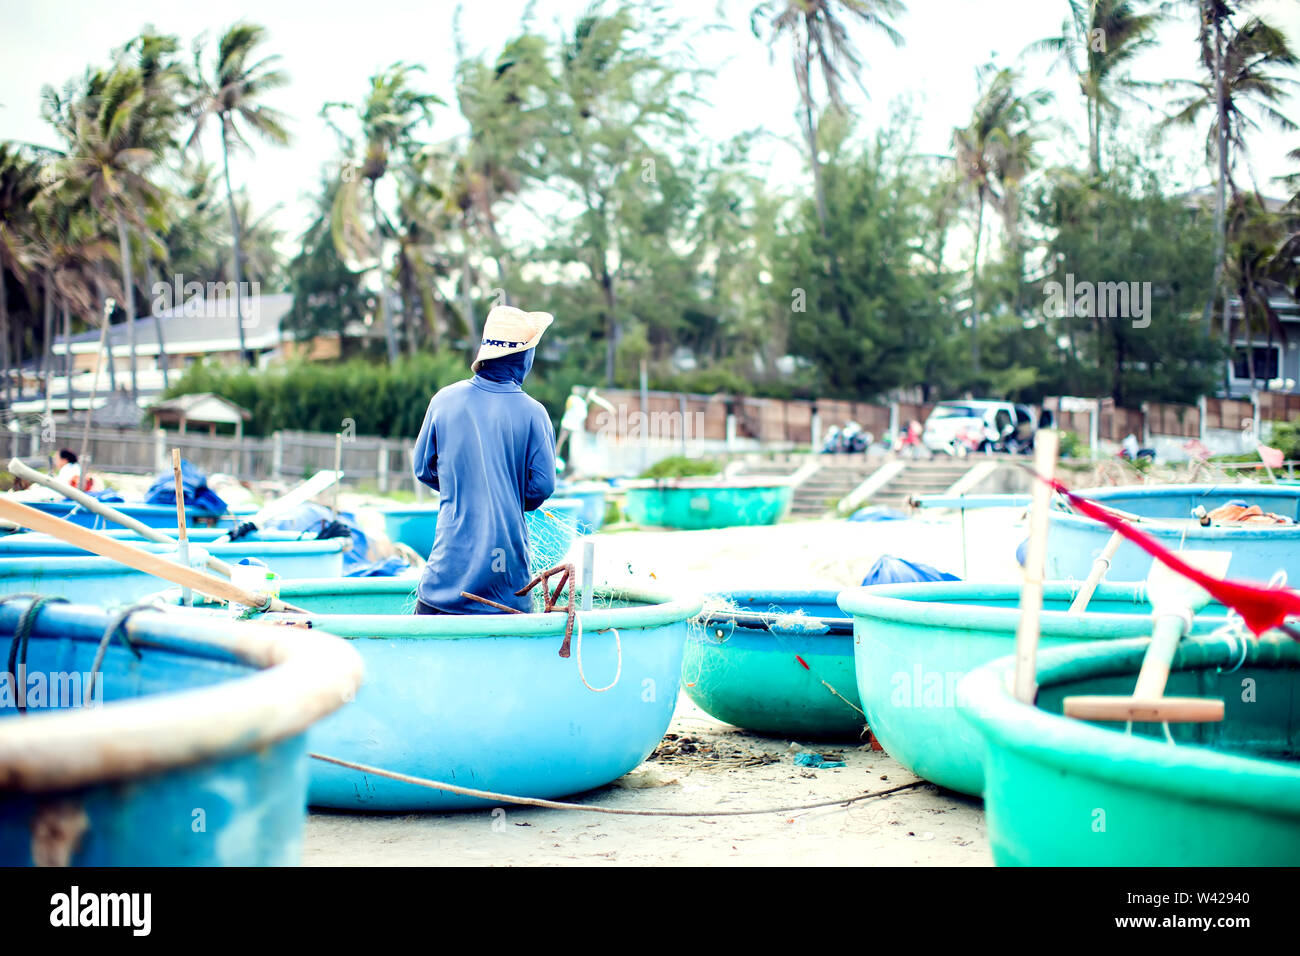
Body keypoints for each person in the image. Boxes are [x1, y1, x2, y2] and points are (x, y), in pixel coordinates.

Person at [410, 305, 557, 615]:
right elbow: (541, 487)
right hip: (505, 590)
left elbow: (423, 468)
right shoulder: (534, 414)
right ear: (524, 358)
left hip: (442, 584)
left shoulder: (444, 401)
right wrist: (505, 493)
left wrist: (463, 486)